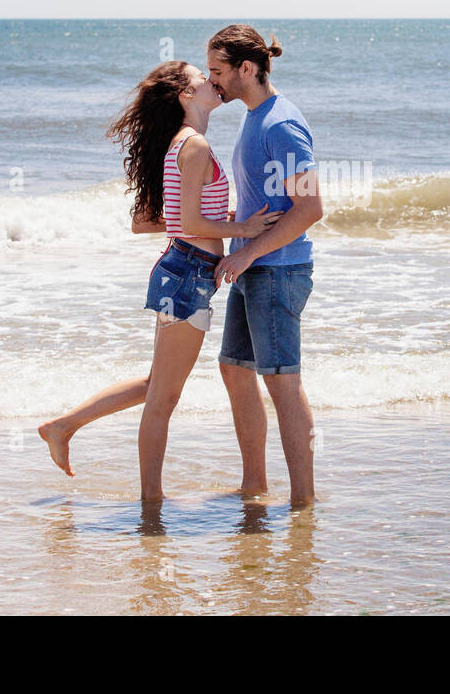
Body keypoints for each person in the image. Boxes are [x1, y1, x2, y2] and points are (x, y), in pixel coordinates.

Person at [37, 60, 280, 501]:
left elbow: (157, 221)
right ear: (185, 95)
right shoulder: (195, 146)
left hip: (185, 271)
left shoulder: (183, 143)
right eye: (202, 78)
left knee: (157, 387)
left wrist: (222, 221)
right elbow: (186, 221)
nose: (213, 81)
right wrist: (242, 230)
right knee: (162, 398)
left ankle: (62, 426)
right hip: (187, 274)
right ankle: (151, 503)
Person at [205, 25, 324, 506]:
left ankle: (303, 502)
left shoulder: (281, 124)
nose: (212, 81)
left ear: (246, 69)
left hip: (277, 271)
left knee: (283, 382)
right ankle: (254, 483)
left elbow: (310, 207)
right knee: (235, 369)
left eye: (218, 71)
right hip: (253, 267)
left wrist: (247, 252)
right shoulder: (255, 117)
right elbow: (264, 200)